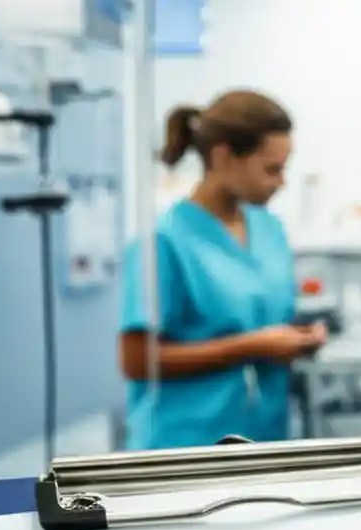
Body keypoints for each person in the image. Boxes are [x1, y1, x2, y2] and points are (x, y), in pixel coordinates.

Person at [117, 91, 327, 450]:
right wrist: (251, 347)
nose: (281, 182)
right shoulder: (164, 242)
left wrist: (298, 338)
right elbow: (137, 361)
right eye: (272, 169)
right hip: (186, 445)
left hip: (262, 440)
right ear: (223, 157)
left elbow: (263, 319)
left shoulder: (270, 229)